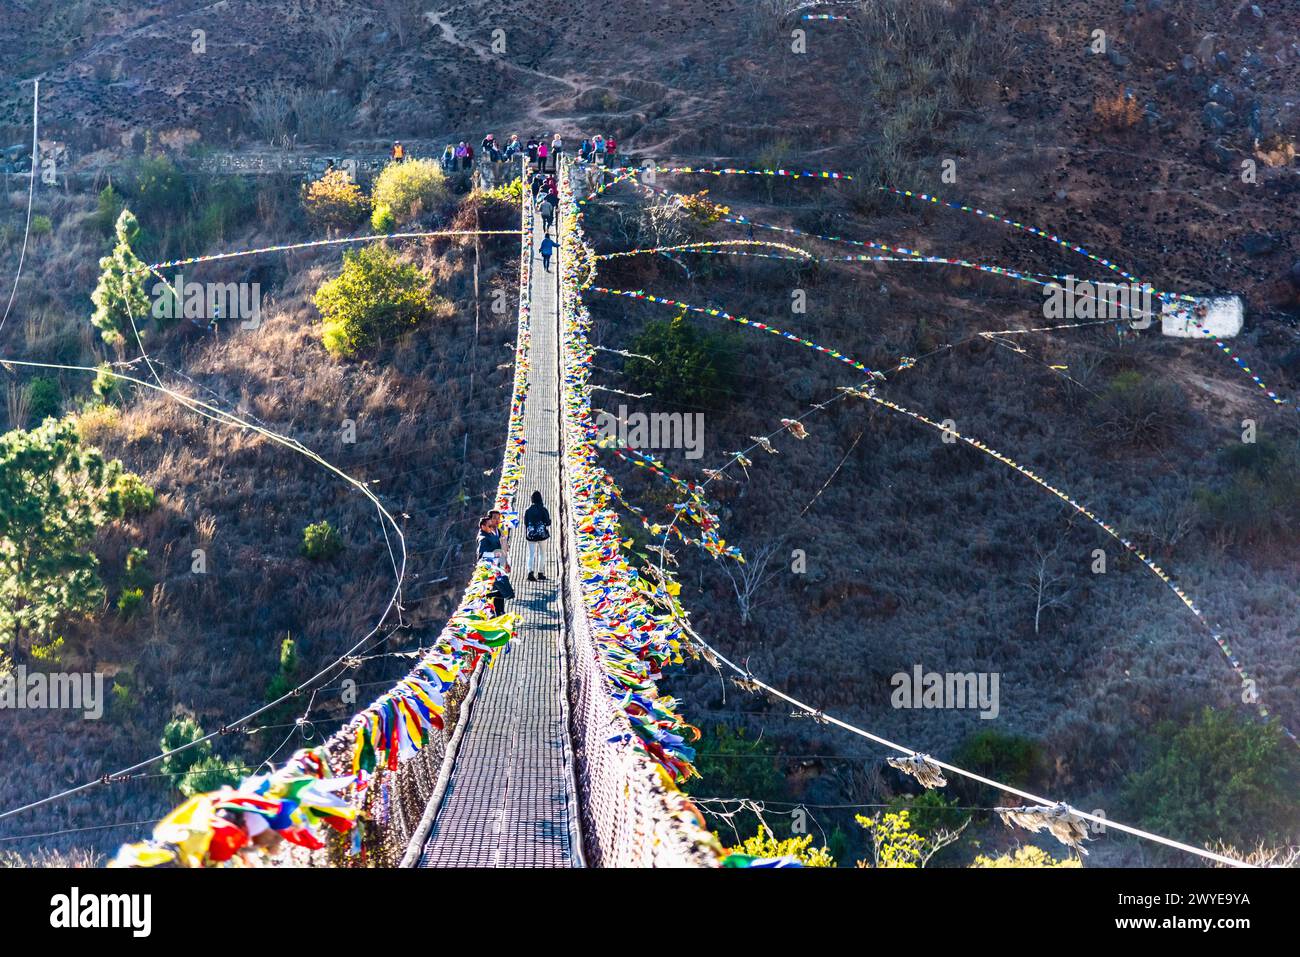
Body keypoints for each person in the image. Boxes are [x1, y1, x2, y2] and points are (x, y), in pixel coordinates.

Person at [477, 515, 512, 616]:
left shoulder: (490, 533)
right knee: (499, 589)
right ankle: (495, 609)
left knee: (501, 588)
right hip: (490, 569)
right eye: (489, 526)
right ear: (483, 526)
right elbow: (481, 554)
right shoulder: (483, 538)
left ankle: (500, 610)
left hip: (497, 565)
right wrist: (495, 554)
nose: (491, 527)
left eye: (491, 525)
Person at [523, 490, 552, 581]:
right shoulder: (543, 509)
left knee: (531, 554)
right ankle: (540, 573)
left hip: (531, 535)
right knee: (542, 553)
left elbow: (526, 523)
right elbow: (547, 522)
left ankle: (530, 572)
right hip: (542, 535)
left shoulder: (527, 510)